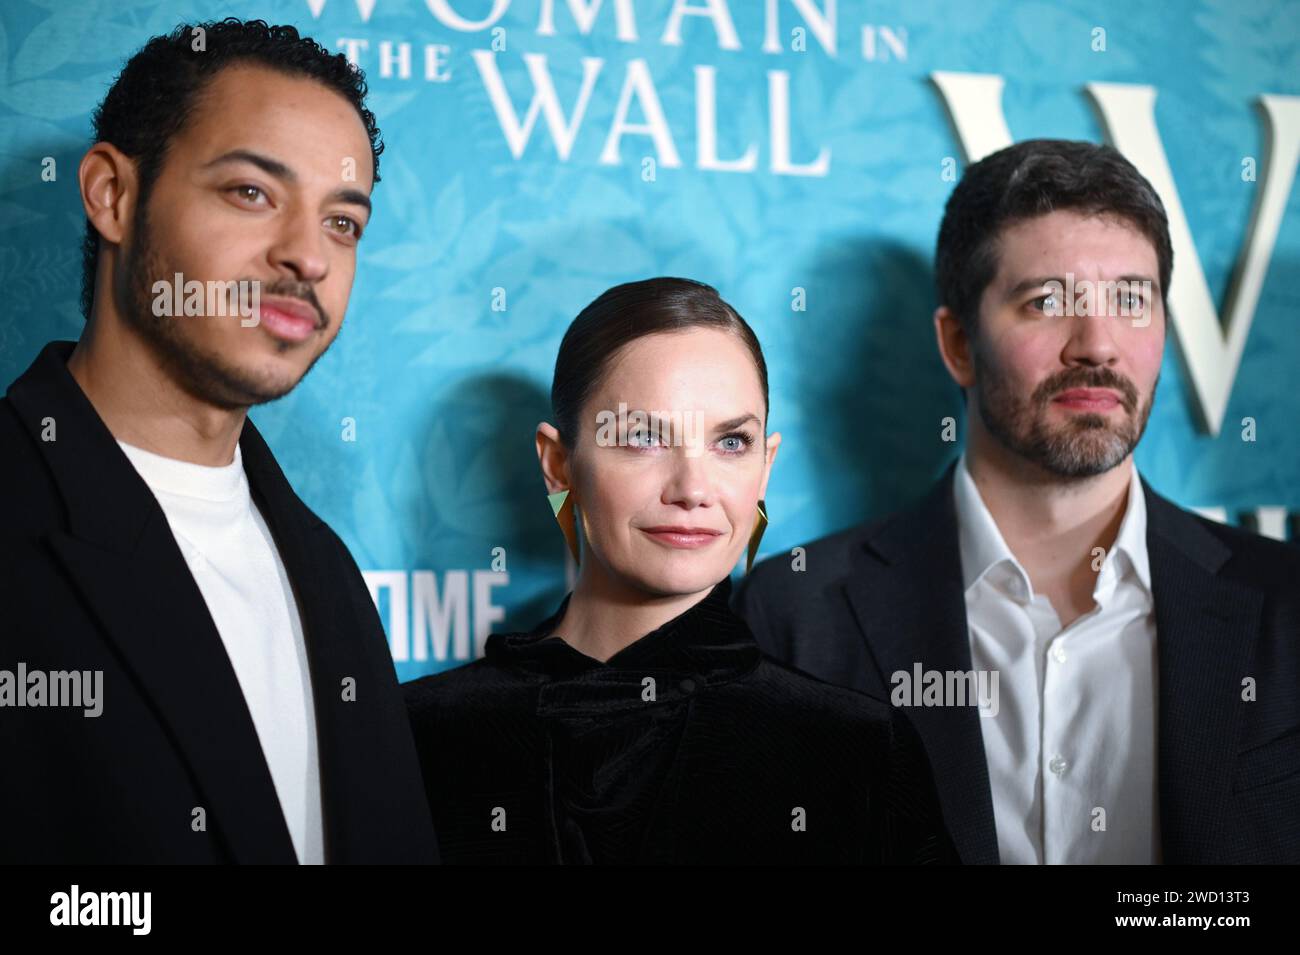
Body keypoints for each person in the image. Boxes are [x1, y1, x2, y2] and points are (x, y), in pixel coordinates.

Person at [734, 139, 1300, 865]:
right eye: (1047, 301)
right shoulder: (795, 616)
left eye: (1131, 298)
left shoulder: (1284, 605)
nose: (1096, 345)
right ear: (958, 344)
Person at [0, 19, 437, 863]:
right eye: (251, 192)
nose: (308, 255)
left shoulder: (331, 575)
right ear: (112, 194)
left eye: (343, 223)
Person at [404, 277, 957, 864]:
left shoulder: (857, 750)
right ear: (559, 466)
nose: (693, 489)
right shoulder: (415, 736)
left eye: (731, 443)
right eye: (643, 437)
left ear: (765, 468)